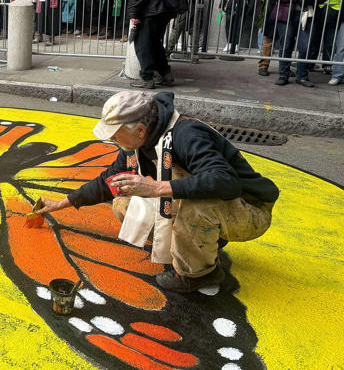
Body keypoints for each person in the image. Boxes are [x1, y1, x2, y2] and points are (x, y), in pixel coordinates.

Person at [35, 90, 279, 292]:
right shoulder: (137, 143)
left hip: (248, 210)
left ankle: (200, 275)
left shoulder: (186, 134)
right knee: (124, 199)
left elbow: (225, 181)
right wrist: (61, 203)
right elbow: (107, 182)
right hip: (218, 205)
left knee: (193, 205)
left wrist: (157, 187)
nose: (114, 142)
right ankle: (197, 246)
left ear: (140, 130)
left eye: (116, 136)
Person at [270, 0, 327, 87]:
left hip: (308, 13)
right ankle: (283, 74)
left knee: (305, 46)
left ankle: (302, 76)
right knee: (286, 45)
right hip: (287, 14)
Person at [302, 0, 343, 79]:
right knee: (314, 38)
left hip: (336, 12)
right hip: (319, 10)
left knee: (330, 40)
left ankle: (327, 65)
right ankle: (310, 63)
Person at [257, 0, 295, 76]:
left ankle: (282, 67)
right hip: (277, 4)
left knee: (286, 39)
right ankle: (264, 65)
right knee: (270, 37)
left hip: (285, 4)